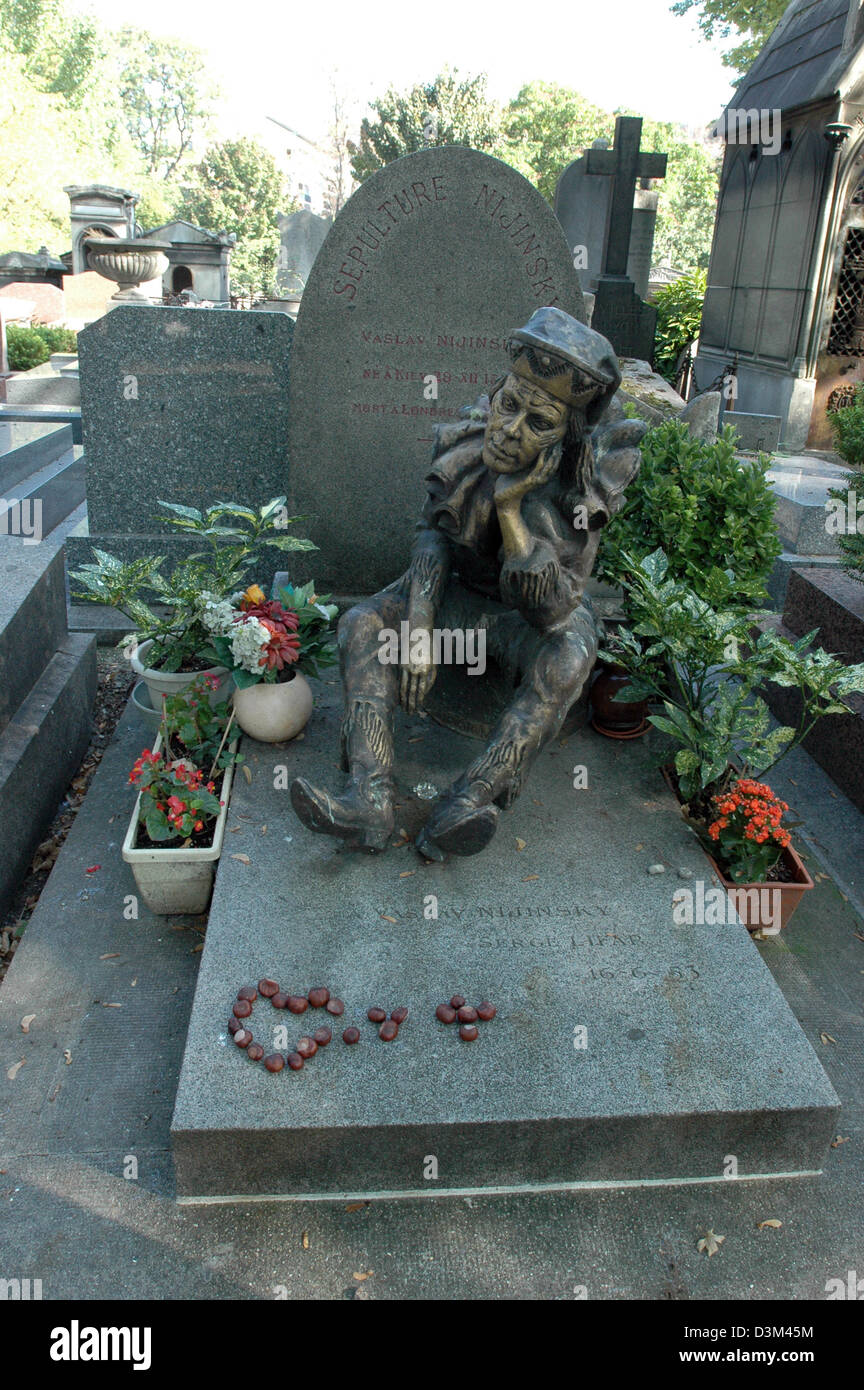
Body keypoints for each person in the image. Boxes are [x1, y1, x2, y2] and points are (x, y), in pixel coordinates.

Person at [291, 306, 646, 859]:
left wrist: (509, 508)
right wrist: (419, 626)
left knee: (572, 654)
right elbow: (433, 535)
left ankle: (472, 797)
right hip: (458, 600)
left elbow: (551, 612)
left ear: (563, 440)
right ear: (497, 392)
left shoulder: (579, 498)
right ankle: (369, 795)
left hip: (523, 621)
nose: (509, 430)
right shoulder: (466, 442)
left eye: (538, 423)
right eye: (508, 405)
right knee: (362, 623)